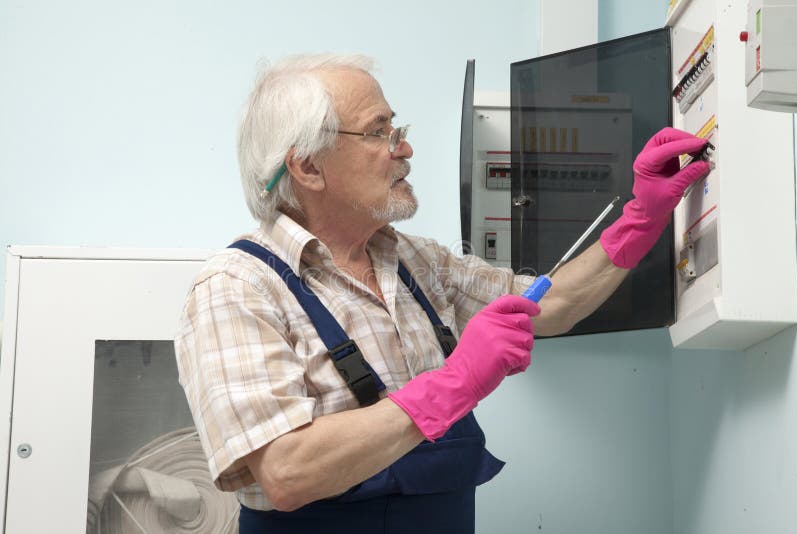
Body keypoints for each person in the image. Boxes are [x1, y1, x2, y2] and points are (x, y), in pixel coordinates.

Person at [174, 54, 710, 533]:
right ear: (309, 166)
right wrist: (456, 381)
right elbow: (287, 472)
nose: (404, 148)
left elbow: (548, 306)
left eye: (397, 127)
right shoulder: (236, 288)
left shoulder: (417, 261)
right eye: (379, 131)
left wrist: (642, 217)